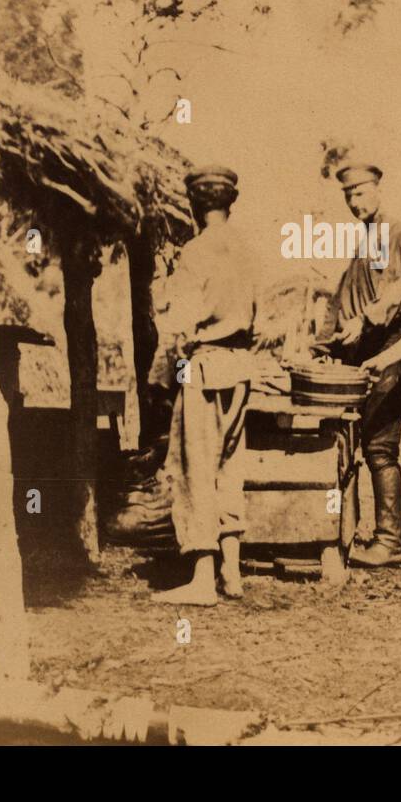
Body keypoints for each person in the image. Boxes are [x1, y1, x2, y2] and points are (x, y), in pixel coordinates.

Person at [149, 166, 257, 605]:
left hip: (205, 366)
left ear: (195, 205)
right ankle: (232, 570)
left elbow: (179, 323)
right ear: (229, 203)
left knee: (196, 468)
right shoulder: (248, 252)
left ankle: (201, 576)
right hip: (242, 368)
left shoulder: (194, 253)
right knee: (229, 468)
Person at [321, 162, 401, 567]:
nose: (354, 202)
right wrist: (321, 345)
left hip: (393, 350)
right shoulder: (362, 244)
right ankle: (351, 534)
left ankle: (390, 542)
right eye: (348, 196)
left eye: (361, 193)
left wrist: (363, 321)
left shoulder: (400, 235)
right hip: (362, 355)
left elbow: (399, 292)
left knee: (380, 446)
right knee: (349, 445)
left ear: (379, 190)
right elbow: (340, 301)